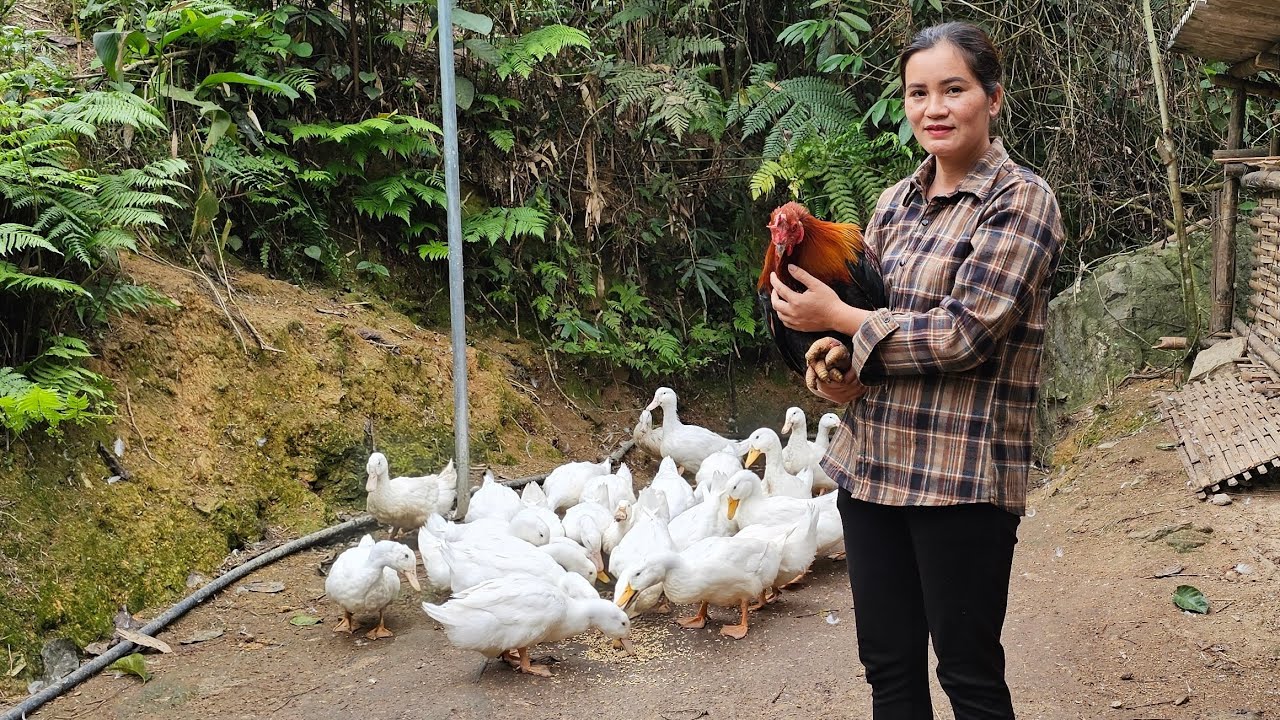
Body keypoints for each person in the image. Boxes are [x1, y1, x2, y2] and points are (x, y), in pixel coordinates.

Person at [768, 21, 1065, 720]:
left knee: (968, 674)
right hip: (869, 471)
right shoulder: (894, 203)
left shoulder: (1021, 200)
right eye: (918, 92)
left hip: (960, 480)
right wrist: (838, 373)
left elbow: (965, 335)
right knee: (890, 671)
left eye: (953, 89)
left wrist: (840, 321)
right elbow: (881, 331)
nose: (934, 107)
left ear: (992, 98)